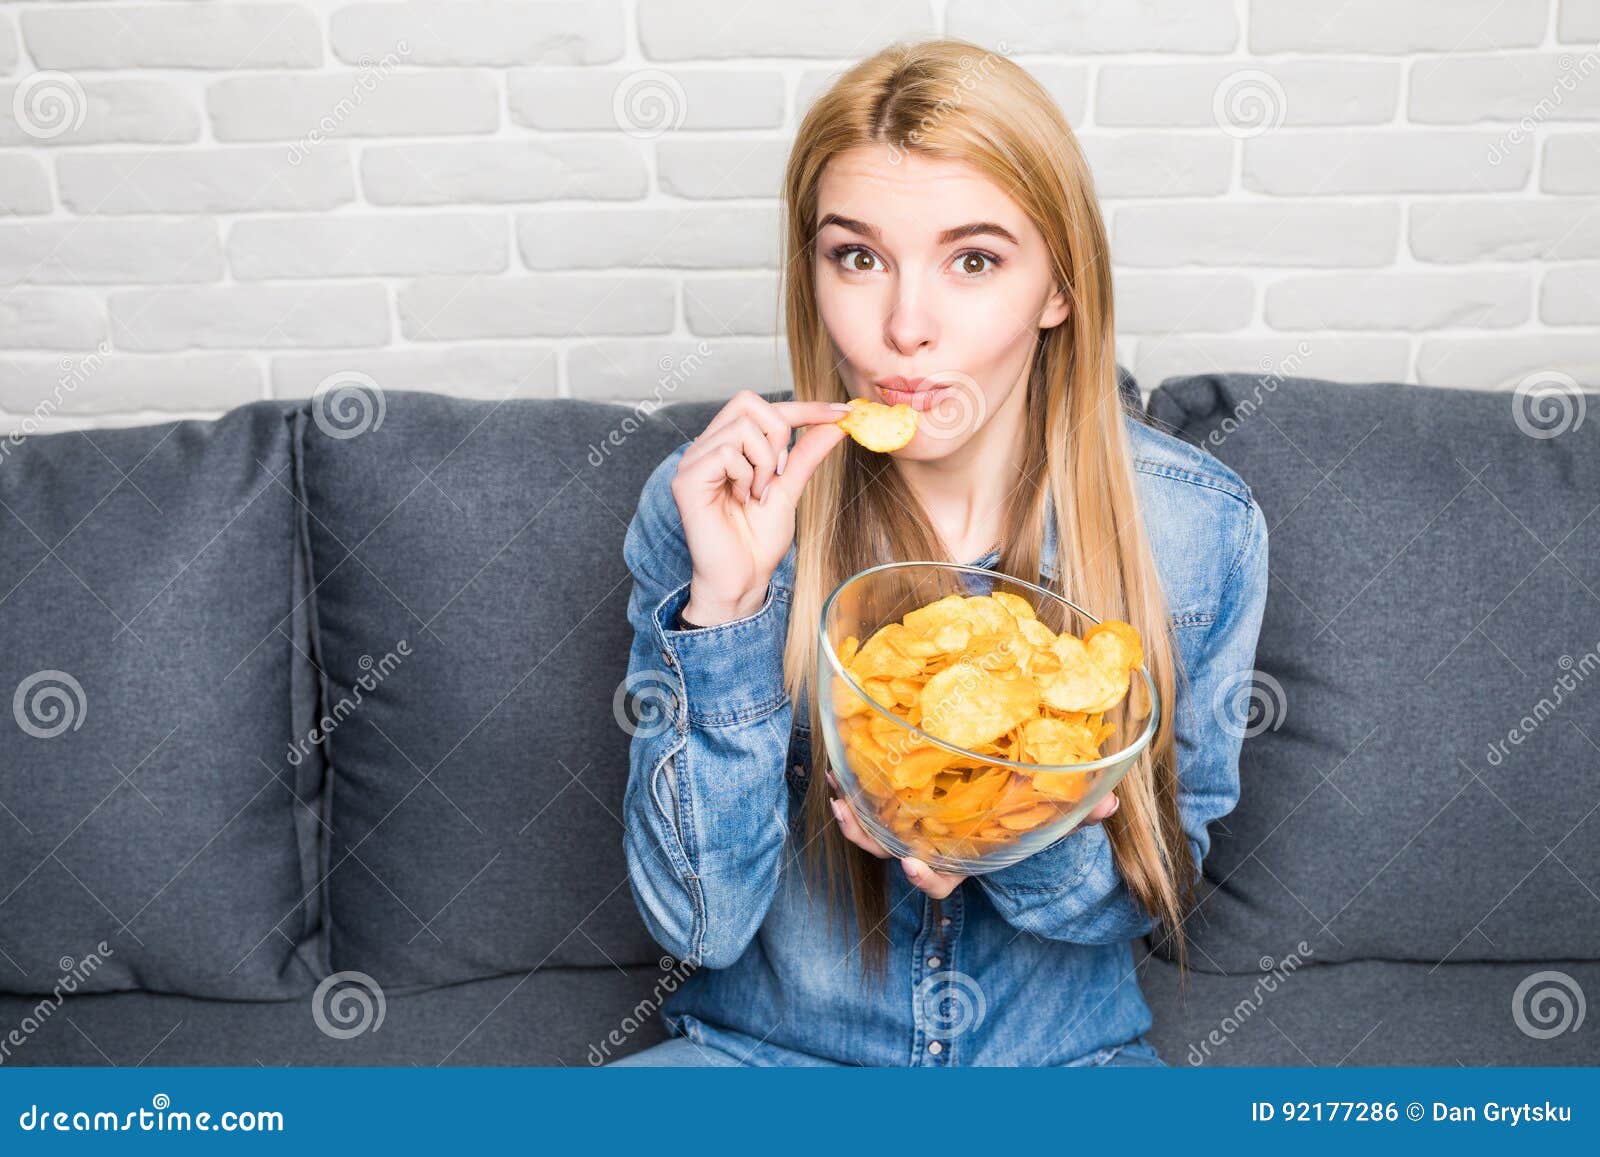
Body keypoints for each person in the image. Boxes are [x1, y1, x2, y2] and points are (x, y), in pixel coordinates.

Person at [608, 38, 1269, 1067]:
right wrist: (726, 614)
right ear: (812, 273)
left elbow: (1159, 893)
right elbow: (698, 927)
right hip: (763, 1063)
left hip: (1064, 1068)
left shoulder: (1197, 528)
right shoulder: (708, 510)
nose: (902, 327)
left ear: (1058, 287)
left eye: (974, 259)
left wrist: (1014, 840)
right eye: (857, 257)